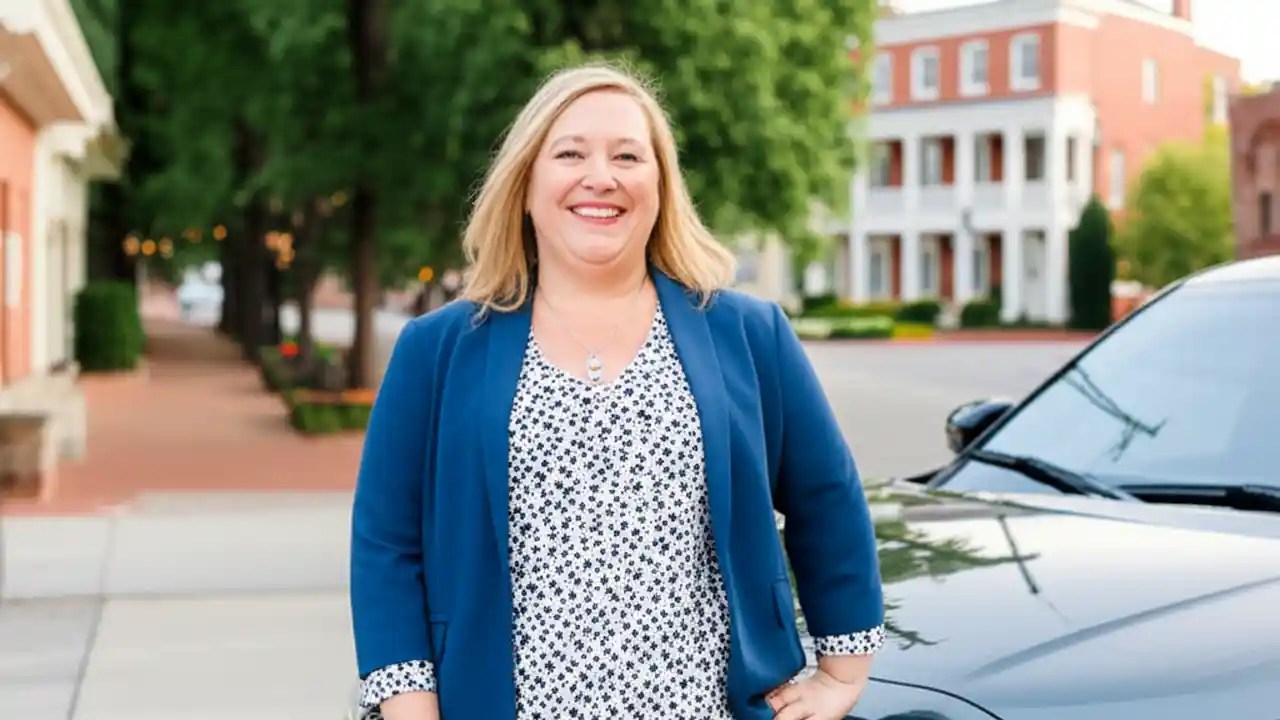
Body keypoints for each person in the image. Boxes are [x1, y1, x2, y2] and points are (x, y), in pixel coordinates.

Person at [349, 62, 885, 720]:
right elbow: (386, 543)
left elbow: (826, 497)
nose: (599, 176)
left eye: (628, 156)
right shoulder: (436, 350)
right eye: (570, 153)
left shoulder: (748, 334)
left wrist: (841, 673)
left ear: (660, 186)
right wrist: (410, 707)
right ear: (525, 183)